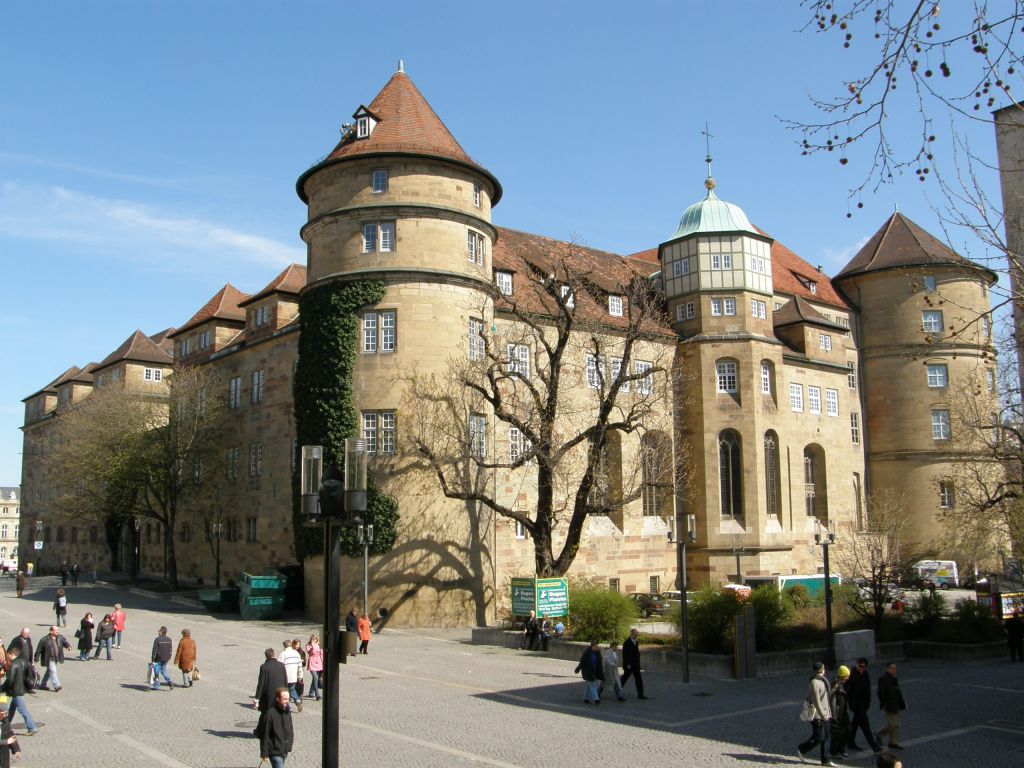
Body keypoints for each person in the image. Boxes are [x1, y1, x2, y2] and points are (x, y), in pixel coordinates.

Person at [796, 661, 834, 767]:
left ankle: (826, 760)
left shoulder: (823, 681)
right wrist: (823, 715)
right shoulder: (814, 682)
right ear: (821, 669)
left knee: (826, 737)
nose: (825, 670)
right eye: (824, 668)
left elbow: (826, 697)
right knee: (819, 738)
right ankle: (802, 749)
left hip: (827, 713)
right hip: (818, 715)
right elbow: (816, 701)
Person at [846, 657, 882, 753]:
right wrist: (850, 702)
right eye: (860, 666)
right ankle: (874, 746)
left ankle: (850, 742)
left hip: (864, 704)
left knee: (855, 724)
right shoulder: (851, 674)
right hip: (856, 704)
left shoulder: (865, 674)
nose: (862, 668)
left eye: (864, 667)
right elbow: (848, 690)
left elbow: (868, 688)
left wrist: (868, 703)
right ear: (857, 664)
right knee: (865, 725)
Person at [3, 645, 38, 736]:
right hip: (22, 688)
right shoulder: (24, 661)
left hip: (15, 690)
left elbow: (9, 680)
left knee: (22, 709)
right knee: (11, 709)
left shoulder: (13, 664)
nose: (8, 657)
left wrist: (2, 688)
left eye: (8, 655)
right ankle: (6, 726)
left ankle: (32, 727)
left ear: (12, 654)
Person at [253, 648, 288, 738]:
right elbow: (285, 680)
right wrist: (286, 693)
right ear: (273, 654)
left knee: (265, 713)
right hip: (280, 693)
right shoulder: (281, 665)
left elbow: (261, 683)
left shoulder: (264, 667)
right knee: (279, 713)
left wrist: (257, 697)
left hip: (268, 695)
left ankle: (261, 731)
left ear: (266, 656)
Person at [260, 687, 294, 767]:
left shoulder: (287, 712)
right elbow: (265, 734)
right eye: (284, 699)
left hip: (284, 749)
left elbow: (290, 728)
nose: (287, 701)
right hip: (274, 751)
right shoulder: (270, 714)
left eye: (288, 699)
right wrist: (264, 753)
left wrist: (290, 742)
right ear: (278, 699)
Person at [876, 661, 906, 750]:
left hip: (896, 704)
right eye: (892, 668)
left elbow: (898, 691)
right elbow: (880, 692)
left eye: (895, 668)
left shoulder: (894, 678)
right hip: (889, 704)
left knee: (896, 725)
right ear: (887, 669)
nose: (894, 670)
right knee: (893, 724)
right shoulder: (883, 679)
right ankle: (879, 734)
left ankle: (893, 742)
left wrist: (901, 702)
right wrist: (883, 703)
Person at [34, 625, 71, 692]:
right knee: (53, 671)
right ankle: (56, 685)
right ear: (51, 631)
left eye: (57, 630)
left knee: (49, 671)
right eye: (56, 630)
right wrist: (36, 658)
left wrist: (68, 646)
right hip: (49, 658)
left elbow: (65, 642)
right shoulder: (44, 640)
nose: (57, 631)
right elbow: (38, 649)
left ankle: (43, 684)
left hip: (56, 658)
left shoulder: (60, 637)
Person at [829, 665, 852, 759]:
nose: (848, 678)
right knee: (837, 733)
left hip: (843, 712)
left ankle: (839, 749)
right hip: (837, 713)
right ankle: (836, 750)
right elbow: (831, 698)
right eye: (847, 676)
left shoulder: (843, 684)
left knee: (848, 730)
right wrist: (833, 716)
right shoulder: (835, 684)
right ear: (842, 675)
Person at [620, 627, 647, 699]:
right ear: (632, 634)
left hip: (635, 665)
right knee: (624, 679)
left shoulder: (636, 642)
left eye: (637, 634)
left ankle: (640, 694)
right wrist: (627, 664)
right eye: (636, 634)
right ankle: (618, 690)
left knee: (639, 679)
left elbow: (636, 653)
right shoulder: (627, 643)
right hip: (629, 665)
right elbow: (625, 655)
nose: (637, 636)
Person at [279, 639, 303, 711]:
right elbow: (300, 665)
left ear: (284, 646)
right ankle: (297, 701)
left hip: (285, 676)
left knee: (284, 691)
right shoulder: (296, 653)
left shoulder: (283, 654)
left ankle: (286, 706)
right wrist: (300, 676)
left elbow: (280, 666)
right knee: (292, 689)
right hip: (293, 676)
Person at [150, 626, 174, 691]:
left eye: (159, 631)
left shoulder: (157, 639)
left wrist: (152, 660)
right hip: (166, 658)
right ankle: (170, 682)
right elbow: (170, 649)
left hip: (158, 658)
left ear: (161, 632)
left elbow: (154, 650)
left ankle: (156, 686)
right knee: (164, 670)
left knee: (156, 672)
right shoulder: (169, 639)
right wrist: (169, 657)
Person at [305, 633, 323, 701]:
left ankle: (311, 692)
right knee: (315, 677)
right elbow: (311, 653)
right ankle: (317, 694)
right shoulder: (308, 645)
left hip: (319, 662)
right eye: (313, 639)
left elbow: (321, 654)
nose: (314, 640)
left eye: (315, 639)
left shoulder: (319, 645)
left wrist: (323, 663)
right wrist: (313, 645)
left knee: (315, 679)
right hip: (312, 662)